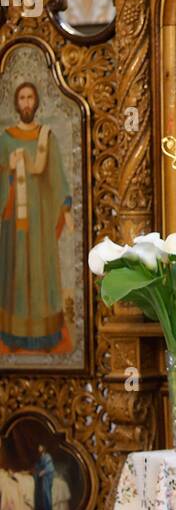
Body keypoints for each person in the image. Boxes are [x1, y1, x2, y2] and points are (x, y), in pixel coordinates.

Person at [0, 83, 73, 355]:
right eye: (22, 98)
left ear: (37, 101)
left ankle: (46, 333)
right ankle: (12, 332)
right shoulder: (5, 138)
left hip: (41, 220)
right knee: (16, 270)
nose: (27, 102)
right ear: (16, 103)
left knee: (40, 271)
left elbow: (57, 176)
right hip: (13, 221)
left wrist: (65, 208)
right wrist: (10, 172)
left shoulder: (46, 137)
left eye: (30, 97)